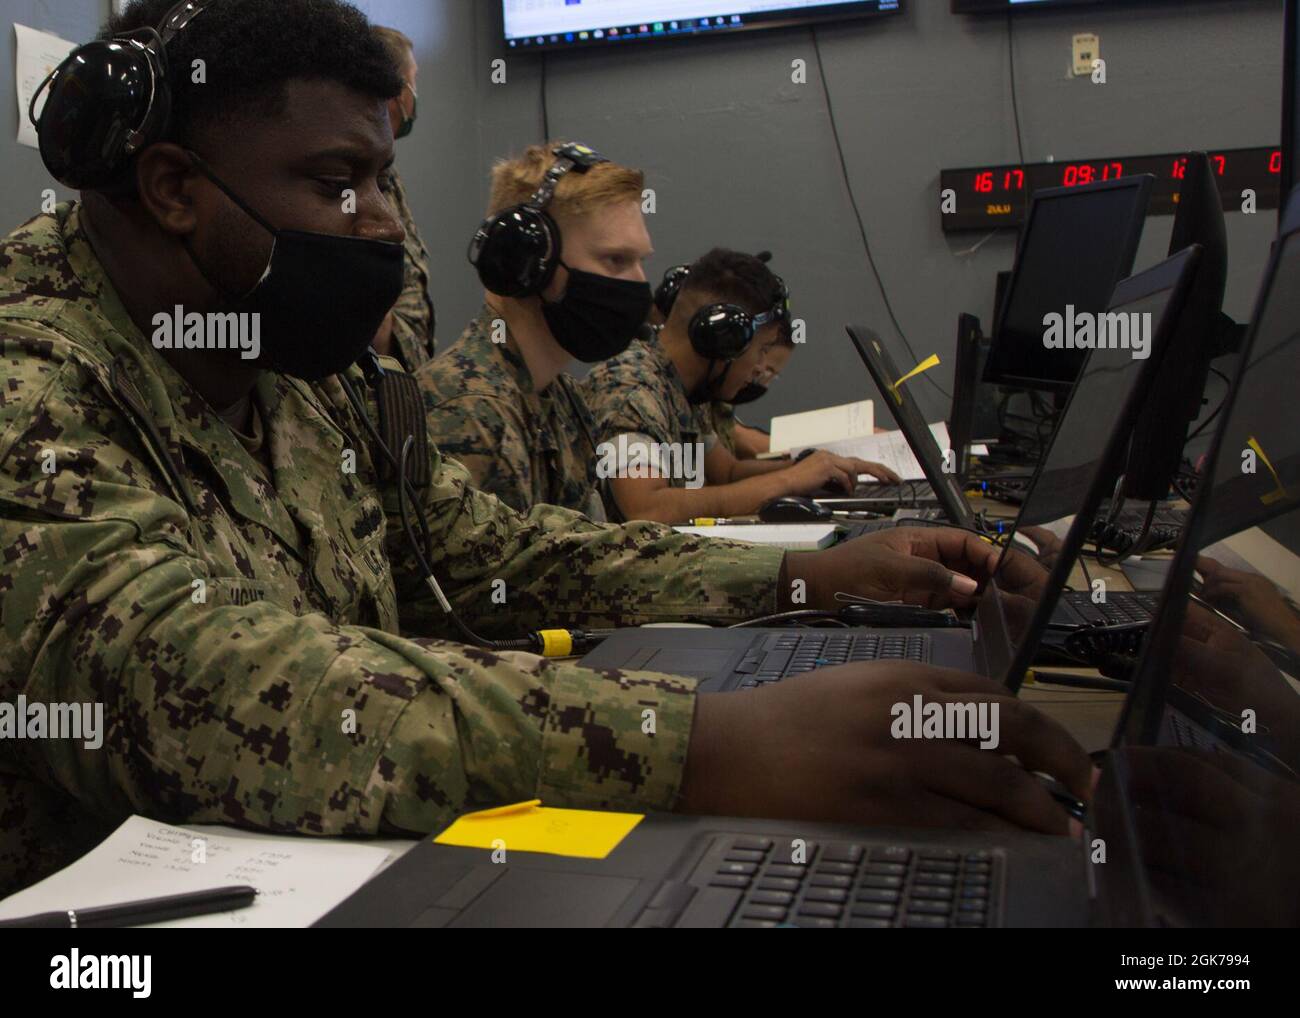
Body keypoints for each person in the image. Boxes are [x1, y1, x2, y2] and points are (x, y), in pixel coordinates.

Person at [0, 0, 1090, 896]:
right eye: (339, 183)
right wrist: (704, 742)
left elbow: (494, 555)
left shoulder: (304, 370)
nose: (384, 223)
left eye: (385, 180)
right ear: (175, 189)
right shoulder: (28, 378)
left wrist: (800, 575)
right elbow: (195, 684)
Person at [416, 141, 648, 517]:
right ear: (527, 263)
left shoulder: (559, 395)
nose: (639, 284)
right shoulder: (469, 411)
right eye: (616, 260)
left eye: (640, 261)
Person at [584, 248, 900, 523]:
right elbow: (646, 508)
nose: (758, 369)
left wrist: (819, 468)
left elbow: (728, 473)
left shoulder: (682, 390)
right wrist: (790, 479)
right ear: (724, 340)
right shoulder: (632, 390)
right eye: (762, 350)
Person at [370, 24, 436, 369]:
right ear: (398, 92)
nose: (415, 93)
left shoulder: (388, 175)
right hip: (371, 382)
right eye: (414, 80)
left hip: (403, 377)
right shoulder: (359, 181)